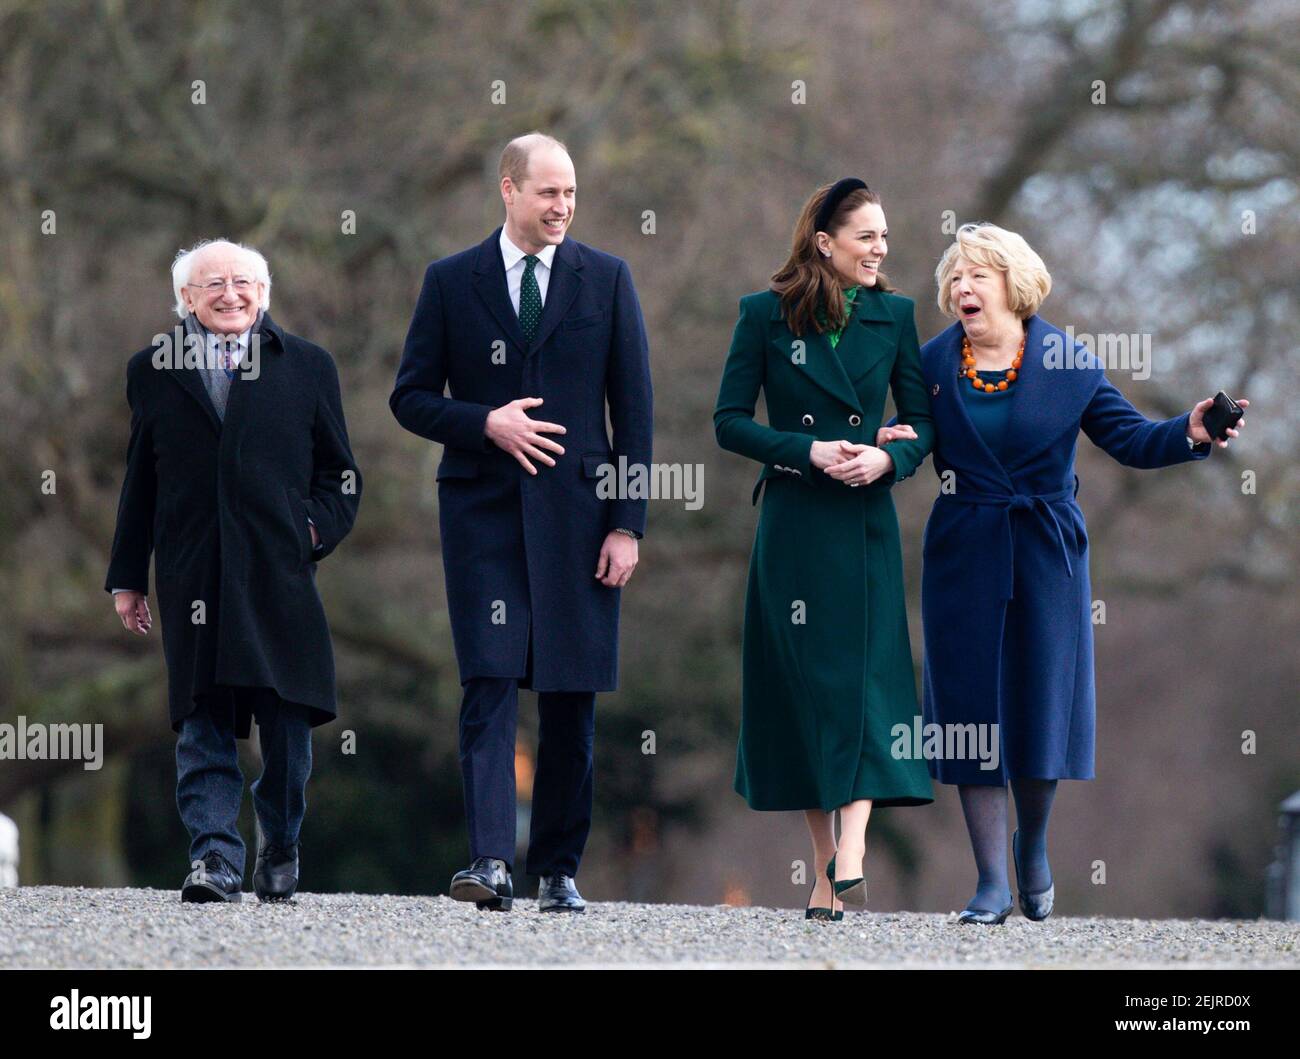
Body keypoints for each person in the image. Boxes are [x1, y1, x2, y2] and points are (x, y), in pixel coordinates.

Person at [888, 222, 1248, 924]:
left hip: (1048, 553)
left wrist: (1192, 431)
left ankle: (1034, 848)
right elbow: (911, 434)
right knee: (969, 710)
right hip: (962, 550)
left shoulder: (1067, 362)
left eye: (978, 275)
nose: (963, 288)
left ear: (1013, 285)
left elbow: (1133, 440)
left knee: (1040, 704)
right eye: (955, 277)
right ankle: (991, 881)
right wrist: (890, 442)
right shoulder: (929, 364)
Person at [390, 132, 653, 913]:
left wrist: (627, 525)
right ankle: (489, 862)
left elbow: (634, 415)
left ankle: (559, 869)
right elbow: (409, 397)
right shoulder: (450, 281)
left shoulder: (607, 279)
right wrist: (485, 423)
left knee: (572, 697)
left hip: (582, 522)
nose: (563, 206)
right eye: (547, 192)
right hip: (483, 517)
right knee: (490, 681)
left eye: (570, 192)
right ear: (508, 190)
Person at [107, 238, 362, 902]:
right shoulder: (152, 369)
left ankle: (280, 844)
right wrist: (127, 575)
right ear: (186, 299)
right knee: (202, 719)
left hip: (280, 574)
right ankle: (214, 857)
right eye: (212, 283)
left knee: (286, 722)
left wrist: (309, 529)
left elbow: (342, 475)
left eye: (243, 281)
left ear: (265, 292)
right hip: (193, 574)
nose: (230, 293)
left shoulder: (307, 365)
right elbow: (141, 480)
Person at [713, 179, 935, 921]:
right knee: (804, 693)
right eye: (867, 236)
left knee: (866, 687)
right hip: (796, 524)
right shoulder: (762, 315)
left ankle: (856, 847)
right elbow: (729, 422)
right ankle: (822, 866)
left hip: (864, 523)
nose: (880, 249)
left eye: (885, 238)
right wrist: (806, 449)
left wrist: (890, 461)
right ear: (824, 243)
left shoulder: (898, 315)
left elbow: (923, 423)